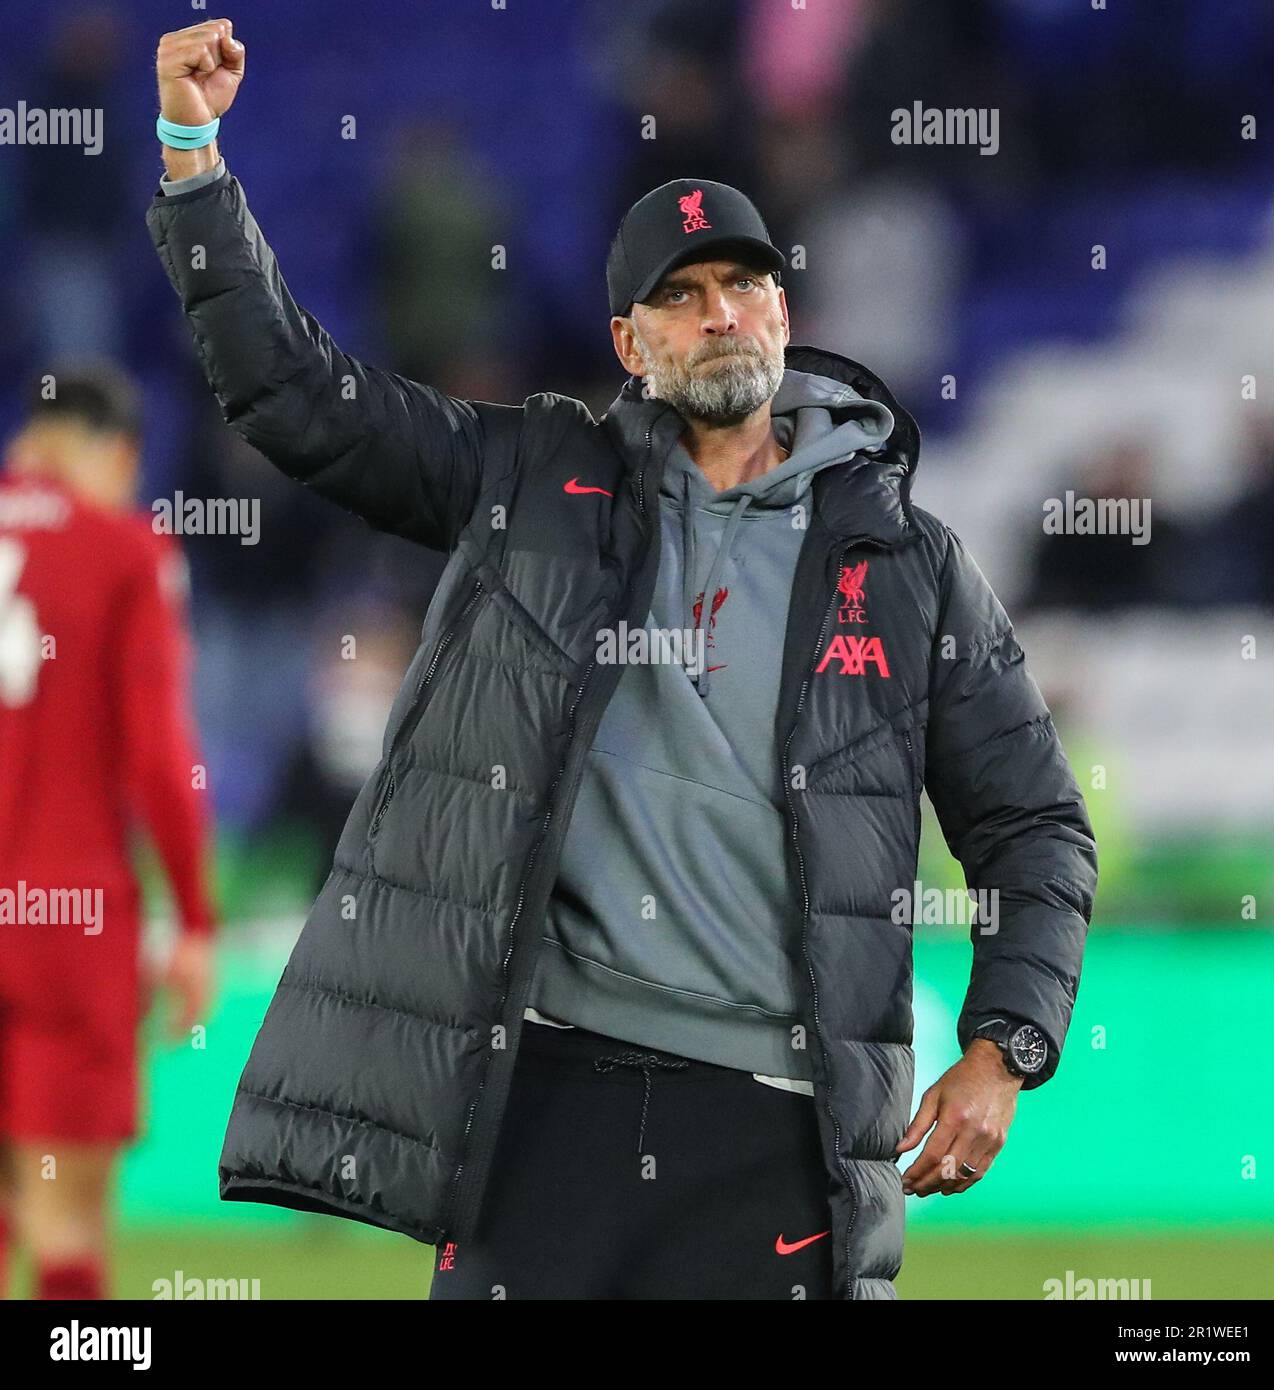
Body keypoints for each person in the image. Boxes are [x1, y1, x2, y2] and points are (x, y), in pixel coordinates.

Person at [148, 19, 1097, 1300]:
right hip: (541, 1102)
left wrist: (1005, 1043)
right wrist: (194, 157)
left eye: (743, 285)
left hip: (778, 1126)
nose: (720, 316)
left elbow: (1036, 823)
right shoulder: (533, 480)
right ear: (627, 343)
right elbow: (297, 398)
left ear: (782, 308)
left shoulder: (908, 561)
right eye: (682, 295)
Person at [0, 364, 217, 1299]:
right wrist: (197, 921)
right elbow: (158, 758)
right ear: (118, 453)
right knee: (66, 1226)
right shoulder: (127, 551)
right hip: (66, 922)